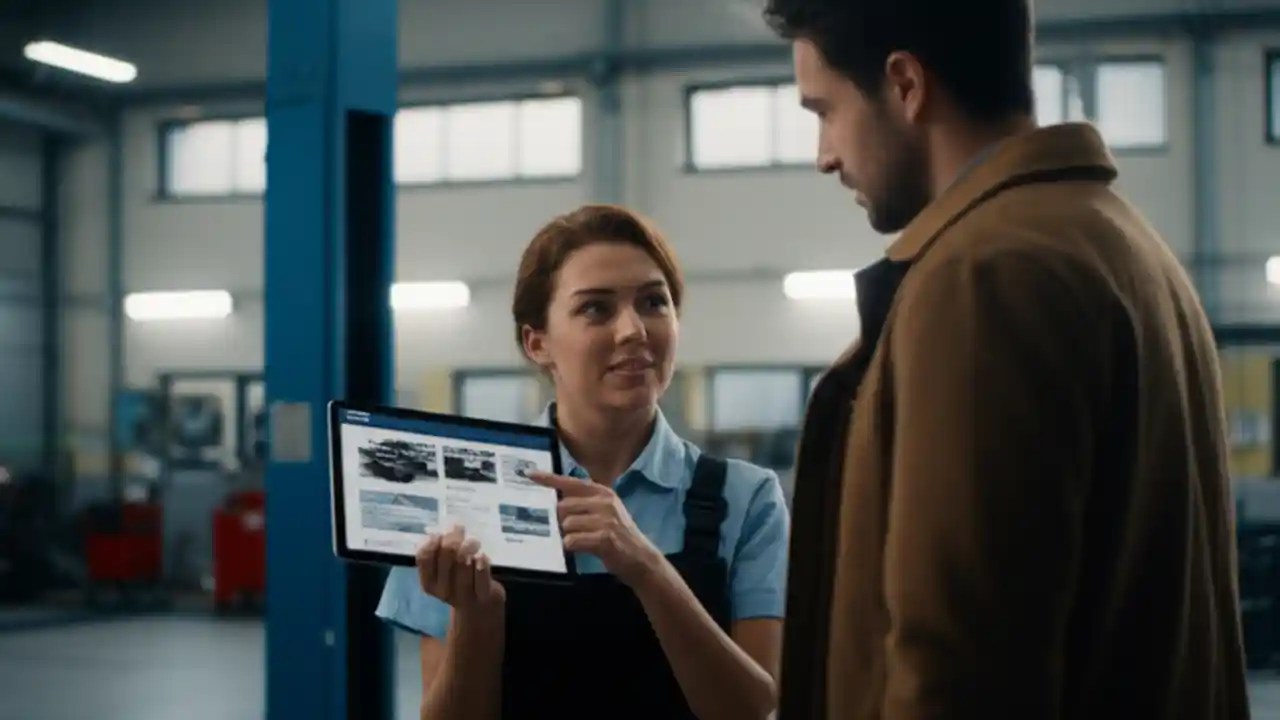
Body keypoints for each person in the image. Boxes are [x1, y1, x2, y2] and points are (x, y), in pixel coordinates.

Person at [762, 1, 1251, 718]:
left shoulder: (984, 277)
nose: (824, 154)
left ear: (904, 85)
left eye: (824, 111)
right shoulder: (1120, 243)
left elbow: (959, 669)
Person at [375, 204, 790, 720]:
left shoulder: (745, 500)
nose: (633, 330)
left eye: (654, 302)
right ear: (537, 342)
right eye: (596, 309)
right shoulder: (460, 494)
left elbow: (751, 709)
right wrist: (477, 620)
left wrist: (647, 569)